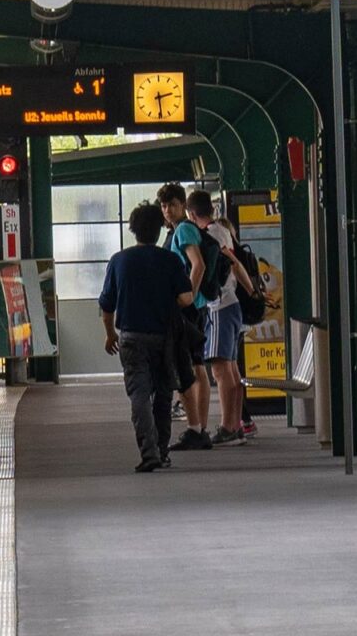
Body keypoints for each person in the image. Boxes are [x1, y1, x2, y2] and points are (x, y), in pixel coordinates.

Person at [100, 203, 195, 472]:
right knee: (164, 394)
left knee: (139, 395)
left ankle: (149, 451)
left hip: (130, 337)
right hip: (164, 339)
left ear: (133, 229)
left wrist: (110, 335)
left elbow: (106, 306)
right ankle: (162, 451)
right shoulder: (170, 260)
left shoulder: (119, 261)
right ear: (159, 229)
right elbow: (186, 298)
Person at [158, 183, 212, 451]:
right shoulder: (179, 230)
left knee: (190, 365)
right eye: (164, 206)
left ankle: (198, 428)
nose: (168, 210)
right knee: (197, 365)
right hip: (194, 305)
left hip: (189, 307)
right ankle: (199, 426)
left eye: (172, 205)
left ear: (183, 206)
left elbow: (197, 263)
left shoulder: (183, 230)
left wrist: (188, 296)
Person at [201, 210, 258, 446]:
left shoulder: (210, 234)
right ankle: (235, 425)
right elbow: (236, 265)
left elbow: (231, 265)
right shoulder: (224, 231)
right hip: (232, 305)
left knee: (221, 371)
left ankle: (228, 427)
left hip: (220, 306)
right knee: (231, 370)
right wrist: (252, 292)